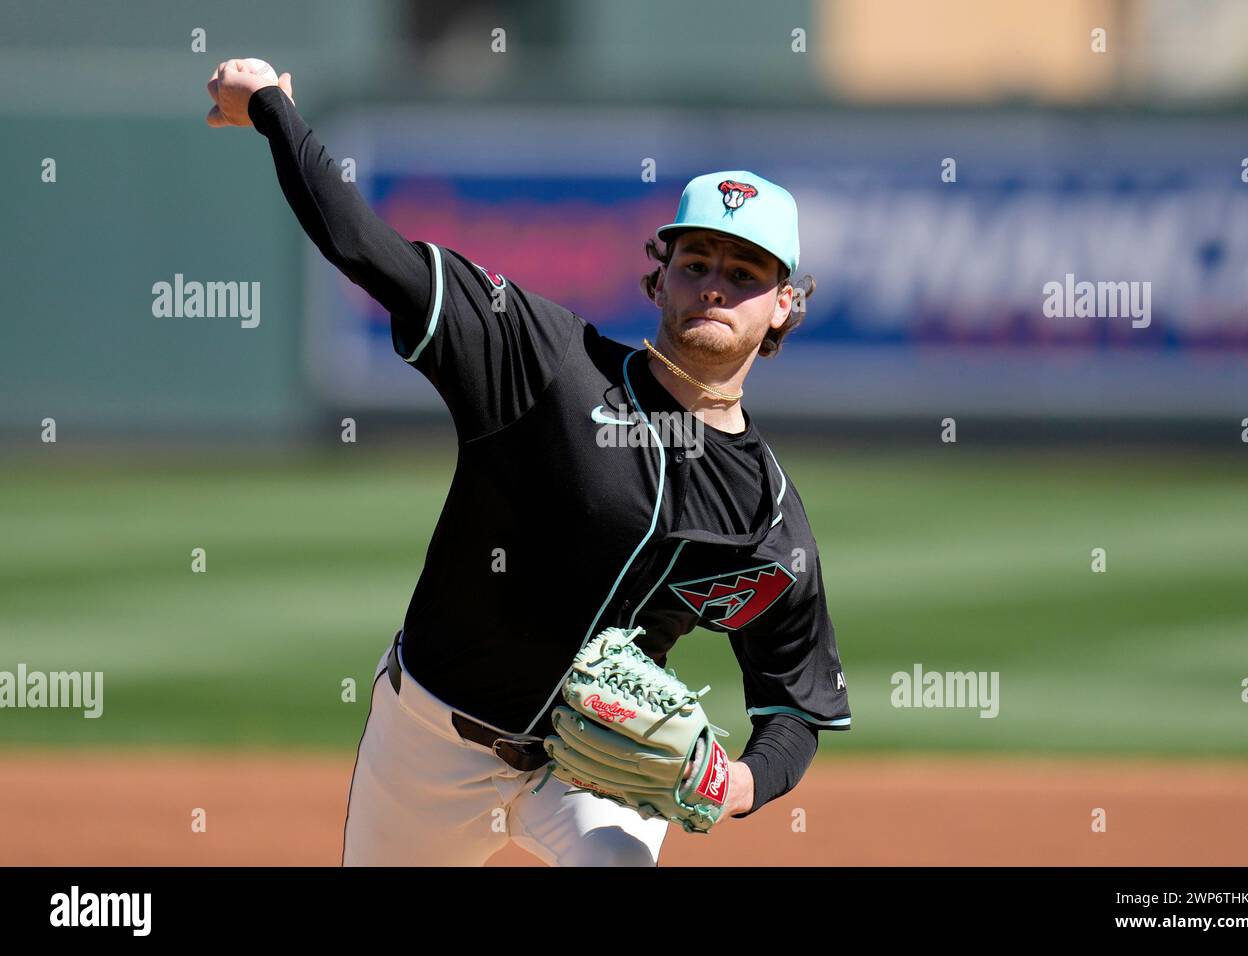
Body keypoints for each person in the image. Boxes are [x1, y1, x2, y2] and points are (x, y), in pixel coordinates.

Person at [206, 58, 852, 866]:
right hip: (430, 742)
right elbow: (367, 249)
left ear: (786, 301)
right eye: (696, 263)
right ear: (660, 277)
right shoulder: (544, 360)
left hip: (593, 773)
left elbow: (796, 707)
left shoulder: (764, 513)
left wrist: (739, 783)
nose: (714, 287)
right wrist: (270, 106)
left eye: (744, 272)